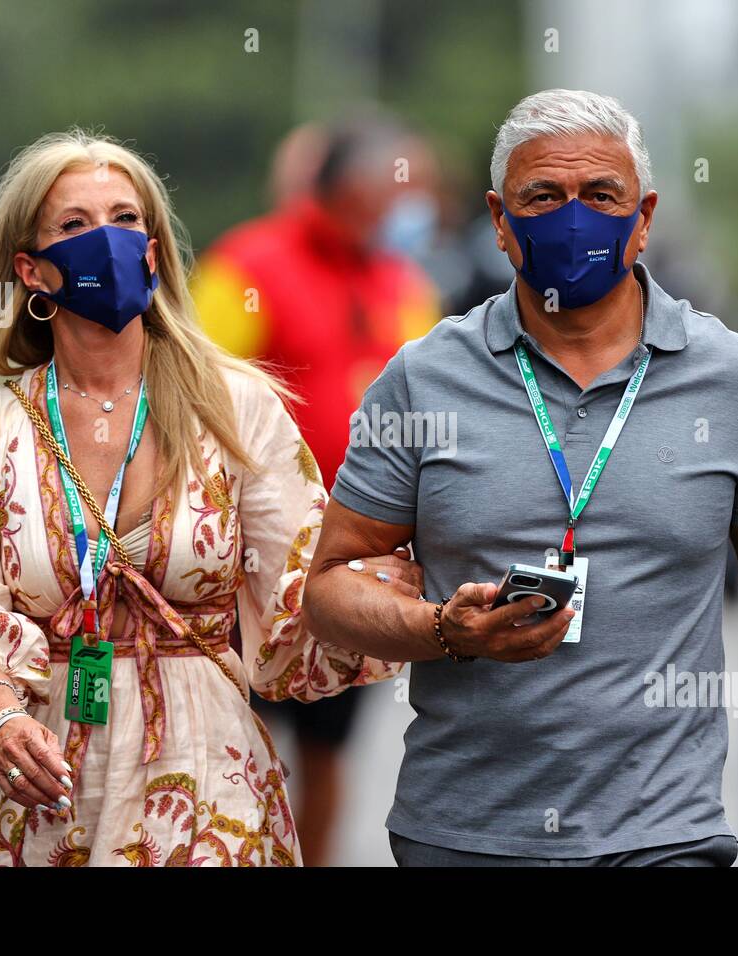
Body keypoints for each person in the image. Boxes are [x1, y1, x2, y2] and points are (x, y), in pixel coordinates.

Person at [304, 89, 738, 867]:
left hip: (666, 836)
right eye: (542, 197)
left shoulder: (733, 380)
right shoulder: (423, 380)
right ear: (499, 220)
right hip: (463, 835)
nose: (572, 219)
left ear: (644, 217)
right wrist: (443, 631)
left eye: (601, 195)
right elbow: (329, 586)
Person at [0, 130, 419, 867]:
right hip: (30, 789)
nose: (108, 239)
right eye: (75, 224)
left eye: (125, 219)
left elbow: (303, 592)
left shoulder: (237, 410)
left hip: (204, 786)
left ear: (153, 253)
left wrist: (413, 594)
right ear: (31, 270)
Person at [192, 116, 440, 864]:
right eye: (395, 188)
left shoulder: (403, 283)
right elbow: (192, 396)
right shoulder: (245, 265)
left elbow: (434, 411)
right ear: (350, 188)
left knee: (330, 748)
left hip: (355, 560)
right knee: (231, 739)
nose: (409, 205)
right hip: (243, 561)